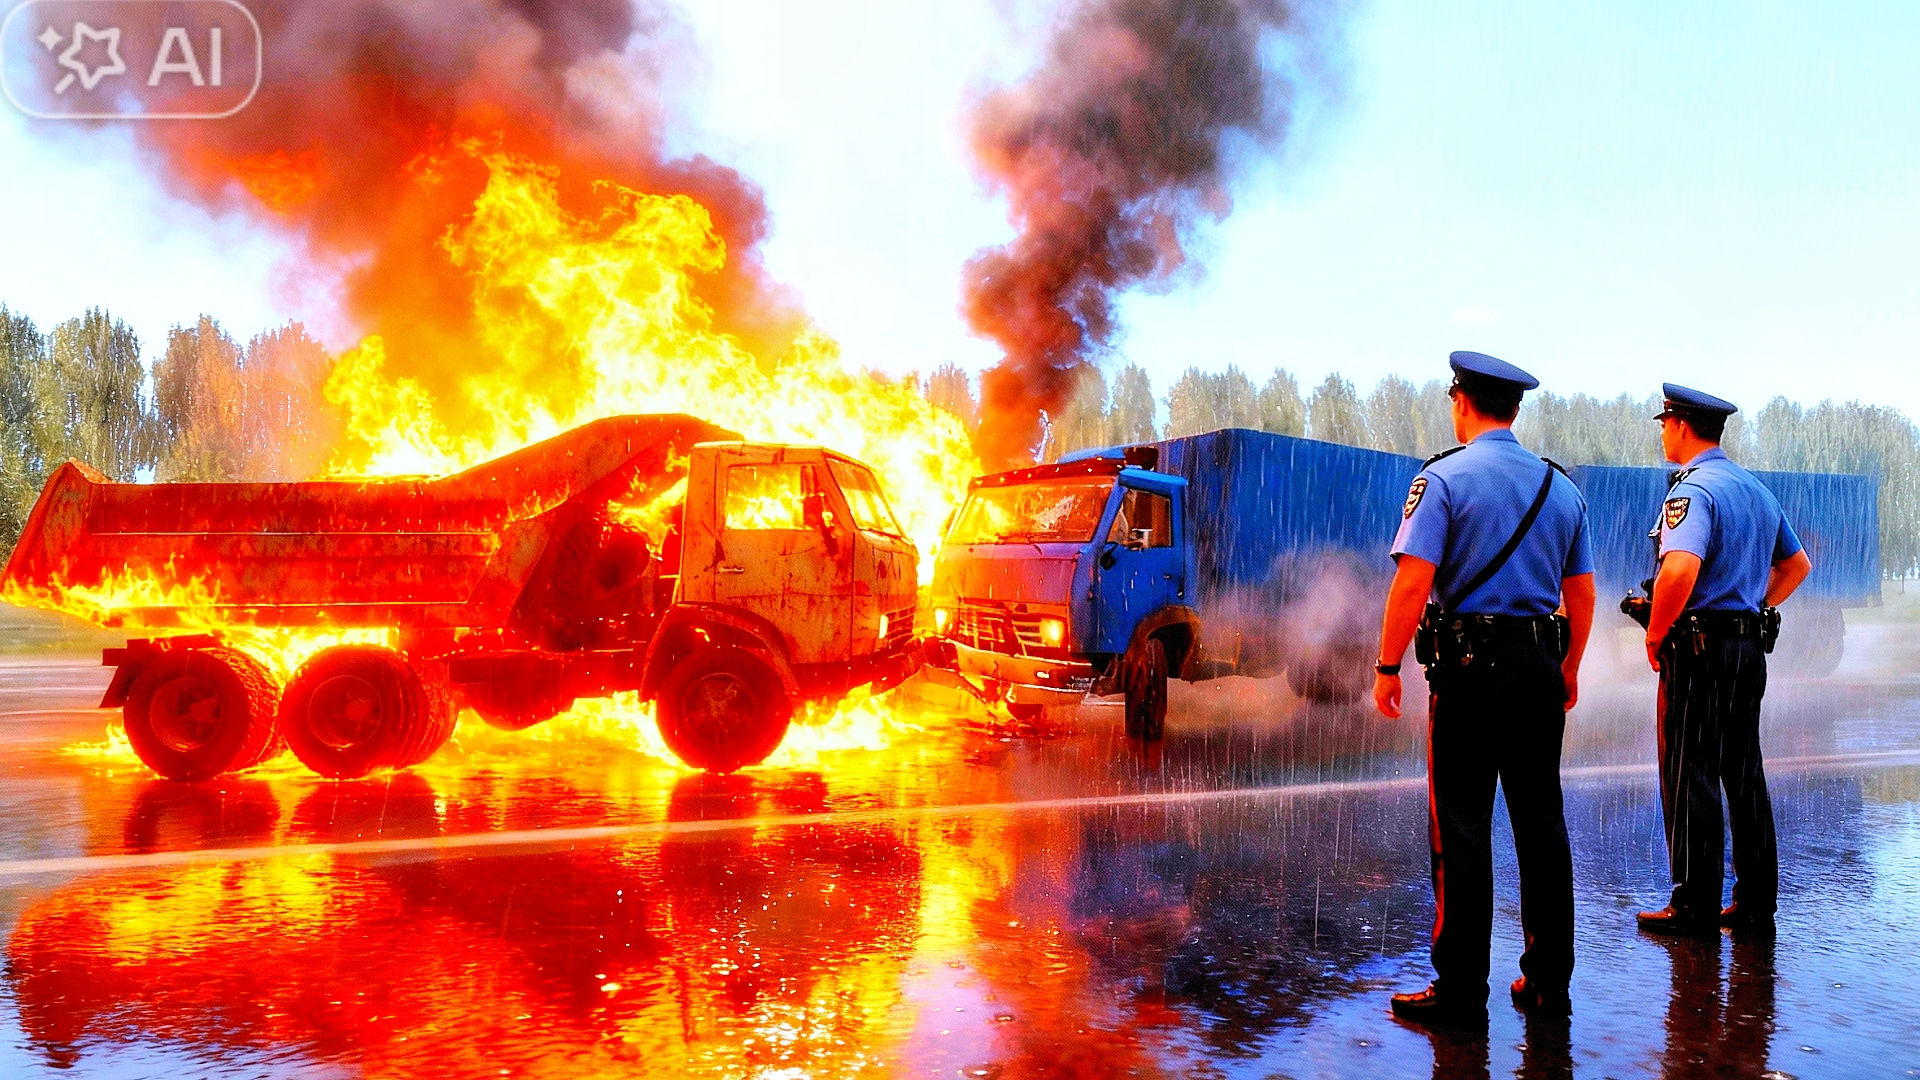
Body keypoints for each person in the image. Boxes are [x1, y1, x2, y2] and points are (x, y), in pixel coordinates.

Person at [1373, 351, 1596, 1023]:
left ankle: (1463, 990)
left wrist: (1388, 668)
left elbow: (1413, 581)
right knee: (1541, 825)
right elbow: (1580, 595)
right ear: (1516, 410)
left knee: (1463, 829)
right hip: (1537, 666)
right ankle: (1548, 979)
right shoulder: (1562, 489)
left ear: (1460, 403)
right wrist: (1569, 667)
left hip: (1468, 672)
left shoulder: (1442, 479)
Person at [1636, 385, 1812, 937]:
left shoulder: (1692, 491)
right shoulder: (1755, 490)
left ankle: (1694, 904)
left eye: (1664, 421)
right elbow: (1797, 565)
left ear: (1683, 426)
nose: (1662, 430)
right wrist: (1753, 604)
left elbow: (1681, 569)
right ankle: (1756, 899)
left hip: (1698, 650)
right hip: (1746, 649)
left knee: (1692, 774)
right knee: (1743, 772)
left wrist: (1656, 631)